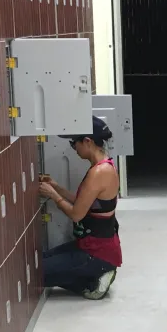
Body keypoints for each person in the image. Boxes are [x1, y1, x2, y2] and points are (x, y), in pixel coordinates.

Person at [39, 116, 121, 299]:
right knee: (39, 262)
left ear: (87, 141)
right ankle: (95, 274)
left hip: (97, 253)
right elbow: (83, 201)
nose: (73, 148)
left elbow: (76, 214)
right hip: (89, 246)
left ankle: (94, 281)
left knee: (37, 274)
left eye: (73, 143)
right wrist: (56, 187)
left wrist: (53, 196)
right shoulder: (102, 167)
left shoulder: (99, 172)